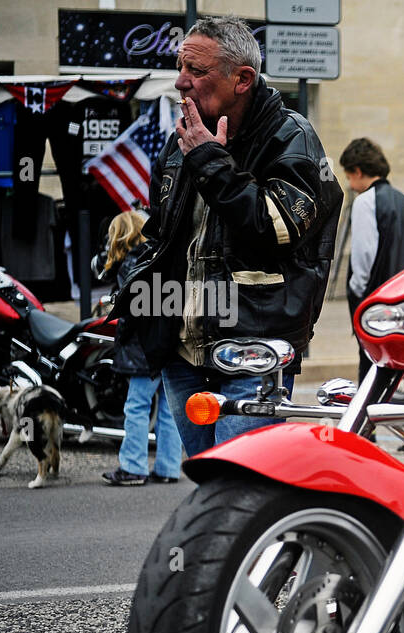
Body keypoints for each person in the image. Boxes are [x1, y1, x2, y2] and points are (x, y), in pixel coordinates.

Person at [112, 15, 343, 456]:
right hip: (182, 352)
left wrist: (212, 161)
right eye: (180, 68)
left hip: (253, 352)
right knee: (207, 482)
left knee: (240, 482)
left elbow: (275, 228)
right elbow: (163, 236)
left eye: (196, 71)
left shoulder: (290, 138)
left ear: (242, 79)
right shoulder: (180, 143)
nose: (181, 83)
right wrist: (137, 295)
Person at [97, 210, 183, 486]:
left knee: (136, 407)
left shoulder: (130, 264)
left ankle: (133, 467)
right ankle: (169, 467)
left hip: (140, 348)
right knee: (168, 409)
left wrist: (121, 336)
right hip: (167, 343)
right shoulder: (161, 255)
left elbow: (131, 312)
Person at [339, 137, 404, 392]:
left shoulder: (366, 202)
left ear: (357, 171)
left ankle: (366, 430)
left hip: (379, 303)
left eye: (348, 176)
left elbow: (363, 255)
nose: (350, 184)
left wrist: (357, 292)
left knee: (371, 371)